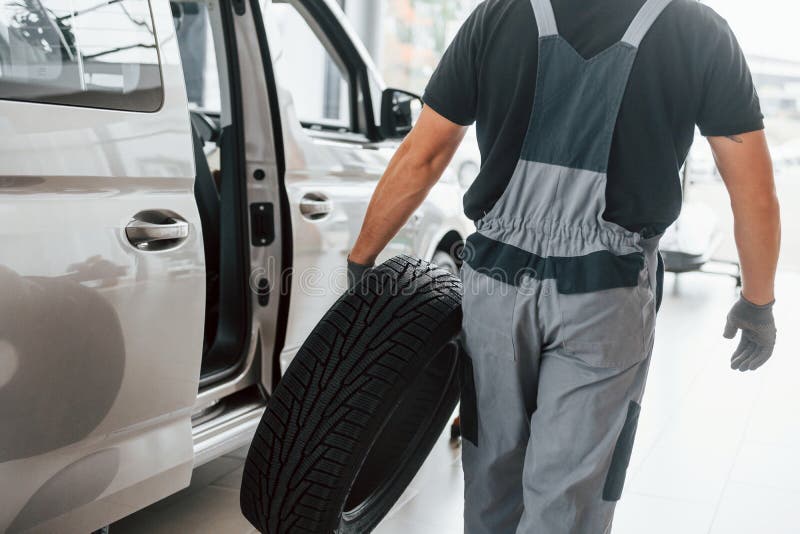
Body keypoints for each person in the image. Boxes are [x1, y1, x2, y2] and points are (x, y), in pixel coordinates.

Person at [347, 0, 781, 531]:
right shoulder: (698, 30)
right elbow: (753, 193)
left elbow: (426, 154)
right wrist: (757, 302)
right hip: (606, 296)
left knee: (490, 475)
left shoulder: (498, 15)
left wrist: (361, 259)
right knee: (570, 494)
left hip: (495, 289)